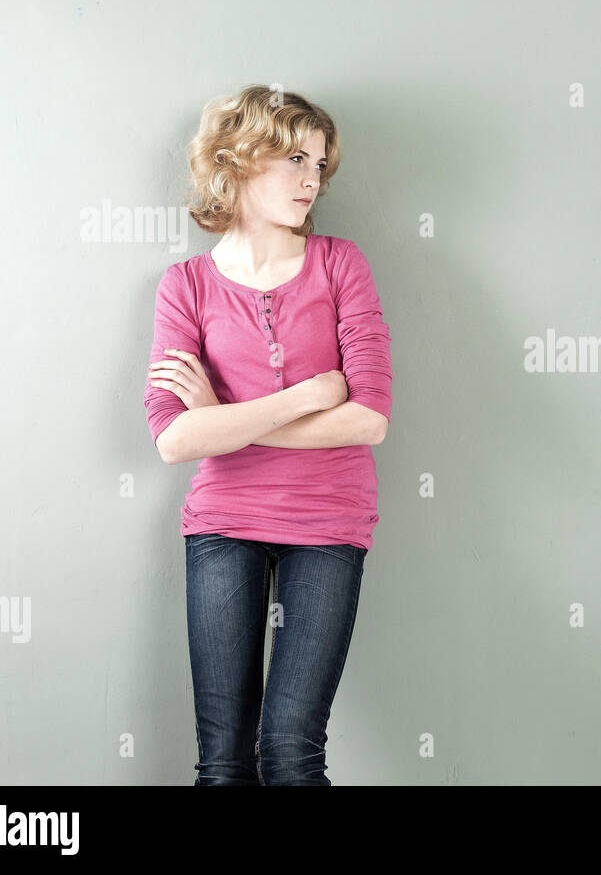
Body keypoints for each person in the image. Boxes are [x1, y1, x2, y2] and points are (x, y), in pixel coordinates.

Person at [143, 84, 393, 784]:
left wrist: (223, 418)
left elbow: (368, 418)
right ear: (237, 159)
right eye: (293, 159)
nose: (312, 179)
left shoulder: (342, 266)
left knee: (290, 755)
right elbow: (172, 439)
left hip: (329, 522)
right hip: (223, 522)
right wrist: (309, 395)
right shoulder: (185, 285)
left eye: (319, 164)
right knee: (223, 763)